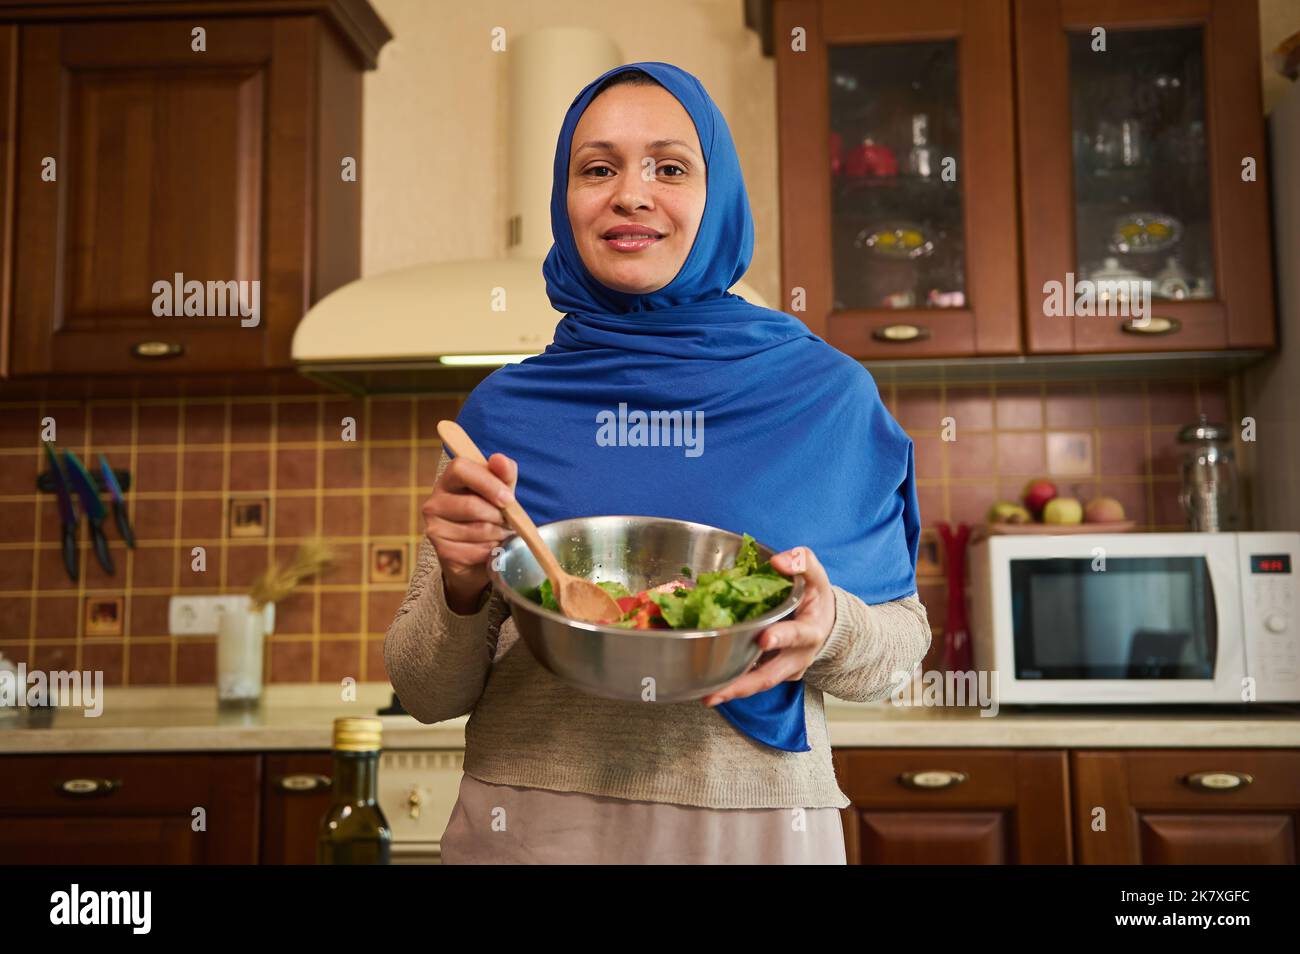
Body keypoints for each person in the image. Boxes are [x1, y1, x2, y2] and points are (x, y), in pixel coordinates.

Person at [385, 62, 931, 864]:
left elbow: (896, 656)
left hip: (752, 833)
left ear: (718, 199)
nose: (630, 195)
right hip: (531, 827)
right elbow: (426, 693)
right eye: (597, 169)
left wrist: (832, 626)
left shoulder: (827, 395)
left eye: (670, 167)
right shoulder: (503, 413)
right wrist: (463, 587)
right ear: (564, 202)